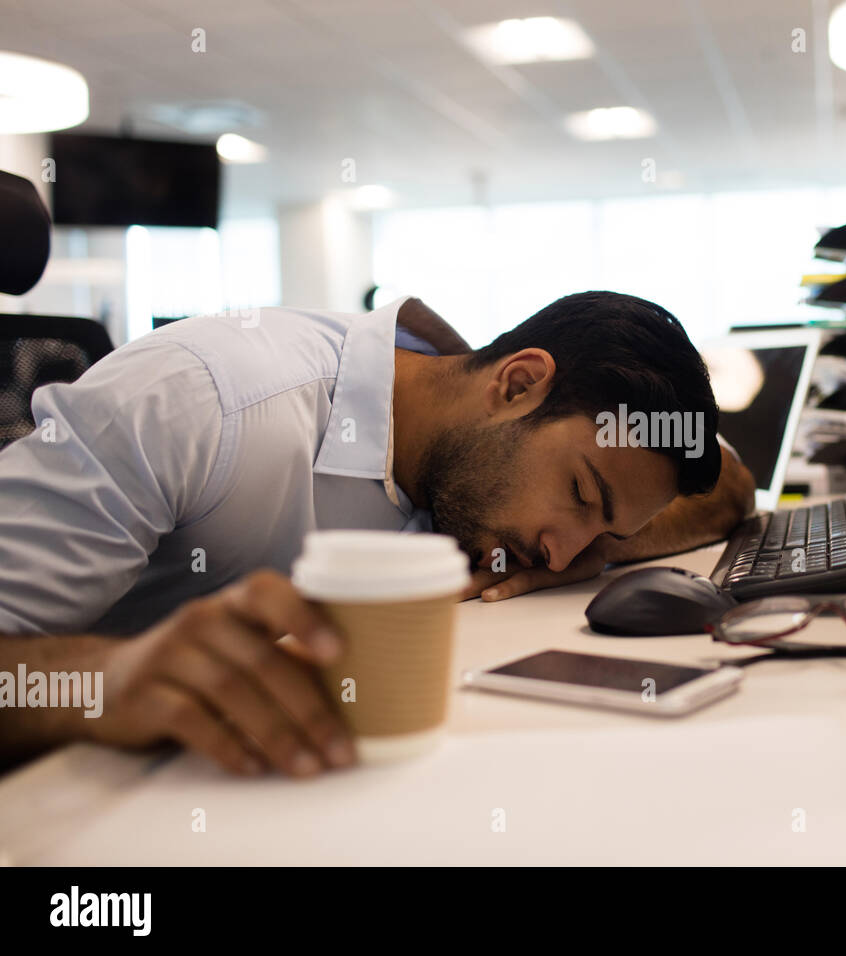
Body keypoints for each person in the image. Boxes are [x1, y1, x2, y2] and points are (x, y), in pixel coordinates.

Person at [0, 291, 755, 775]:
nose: (564, 548)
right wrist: (110, 680)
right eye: (582, 495)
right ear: (518, 383)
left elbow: (730, 483)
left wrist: (598, 544)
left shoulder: (460, 414)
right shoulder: (201, 402)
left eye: (602, 529)